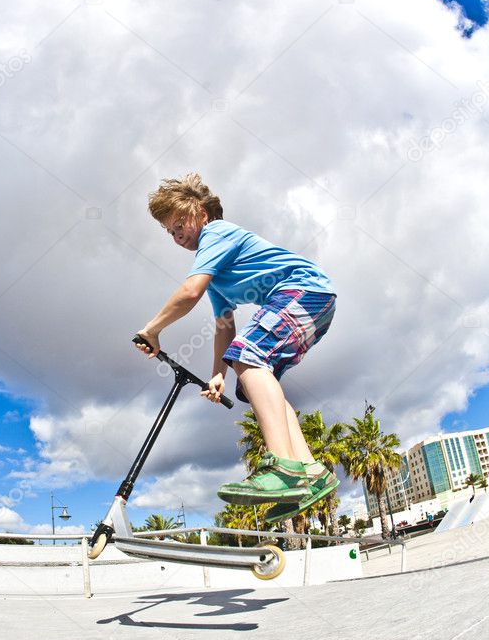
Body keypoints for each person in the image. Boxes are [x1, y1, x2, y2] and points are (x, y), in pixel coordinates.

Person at [135, 173, 338, 519]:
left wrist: (152, 330)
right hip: (313, 301)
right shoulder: (217, 275)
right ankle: (310, 471)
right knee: (255, 377)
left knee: (249, 354)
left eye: (180, 223)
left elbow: (189, 293)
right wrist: (219, 376)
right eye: (170, 231)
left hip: (304, 290)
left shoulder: (216, 233)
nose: (177, 235)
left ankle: (284, 469)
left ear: (200, 211)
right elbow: (224, 326)